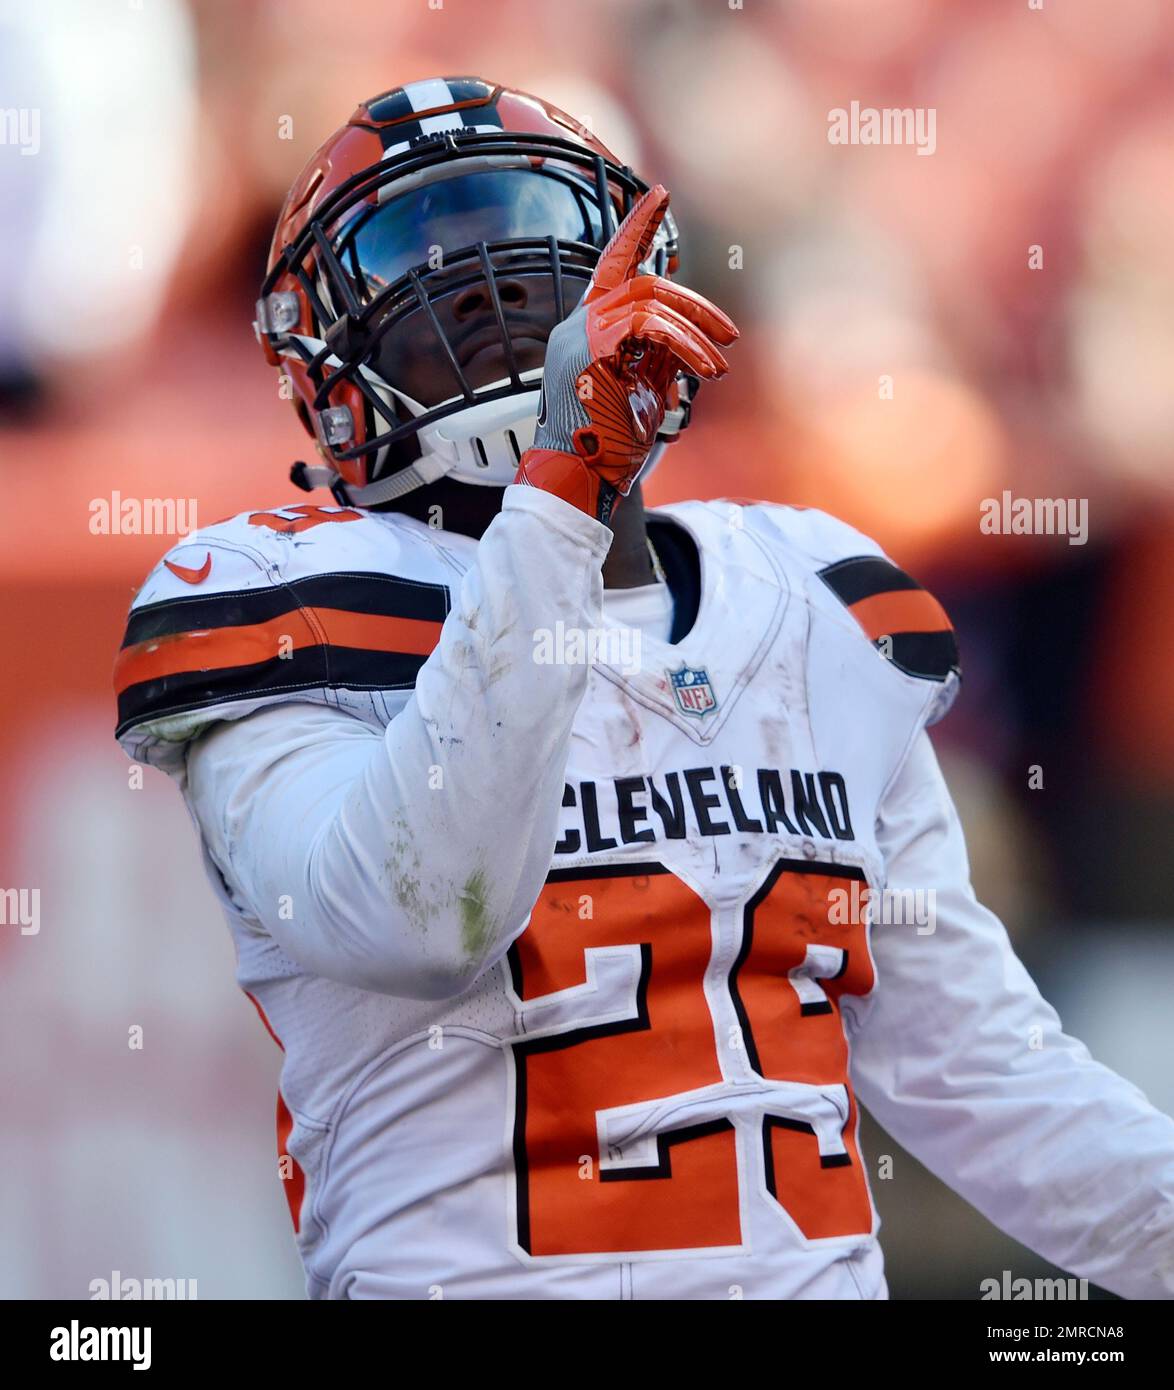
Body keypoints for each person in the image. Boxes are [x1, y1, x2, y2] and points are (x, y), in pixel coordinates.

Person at [114, 77, 1174, 1300]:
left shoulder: (806, 600)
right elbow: (420, 917)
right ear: (325, 367)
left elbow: (989, 1078)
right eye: (425, 260)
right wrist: (558, 501)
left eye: (528, 243)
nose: (493, 291)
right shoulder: (280, 598)